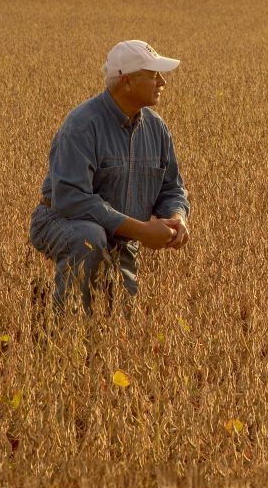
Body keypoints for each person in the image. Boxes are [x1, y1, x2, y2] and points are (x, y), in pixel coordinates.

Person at [30, 39, 191, 314]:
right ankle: (56, 329)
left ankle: (47, 303)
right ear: (126, 82)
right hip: (63, 221)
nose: (162, 82)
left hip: (121, 236)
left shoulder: (157, 128)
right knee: (88, 238)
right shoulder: (82, 125)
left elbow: (172, 189)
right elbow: (71, 200)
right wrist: (141, 231)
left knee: (117, 323)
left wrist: (177, 218)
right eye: (153, 75)